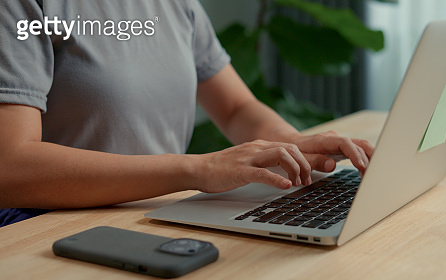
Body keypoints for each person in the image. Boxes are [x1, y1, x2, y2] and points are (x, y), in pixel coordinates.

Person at [0, 0, 373, 226]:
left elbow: (235, 107)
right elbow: (10, 165)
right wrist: (199, 169)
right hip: (50, 225)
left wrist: (294, 142)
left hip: (157, 214)